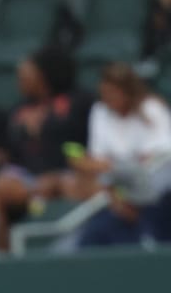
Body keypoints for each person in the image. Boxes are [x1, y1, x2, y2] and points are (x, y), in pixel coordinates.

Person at [0, 46, 92, 253]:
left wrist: (59, 171)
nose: (19, 81)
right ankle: (3, 256)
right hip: (28, 178)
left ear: (42, 75)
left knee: (69, 184)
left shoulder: (78, 101)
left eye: (25, 75)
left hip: (68, 174)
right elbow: (12, 152)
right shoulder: (17, 109)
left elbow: (81, 144)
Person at [73, 63, 171, 248]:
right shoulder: (100, 111)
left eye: (112, 93)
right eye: (104, 93)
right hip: (115, 186)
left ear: (126, 91)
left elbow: (158, 159)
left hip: (154, 186)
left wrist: (113, 169)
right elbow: (96, 160)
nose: (107, 99)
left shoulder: (152, 108)